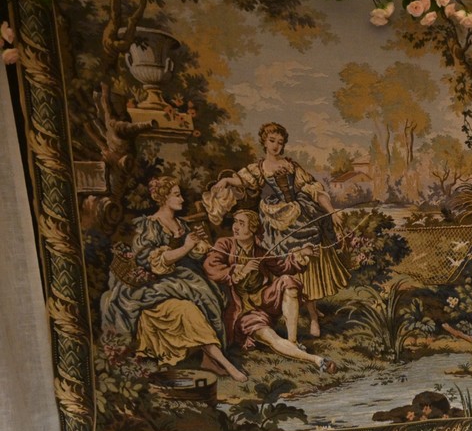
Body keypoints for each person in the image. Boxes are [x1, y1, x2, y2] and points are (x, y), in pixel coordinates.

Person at [100, 175, 246, 382]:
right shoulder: (150, 225)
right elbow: (150, 260)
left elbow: (192, 255)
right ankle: (222, 361)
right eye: (177, 195)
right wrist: (186, 247)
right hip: (155, 282)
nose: (182, 200)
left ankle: (209, 358)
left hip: (180, 278)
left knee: (214, 294)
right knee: (191, 306)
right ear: (163, 198)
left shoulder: (180, 224)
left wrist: (199, 246)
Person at [210, 122, 348, 339]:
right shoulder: (259, 167)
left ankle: (313, 315)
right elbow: (242, 180)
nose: (275, 146)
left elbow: (314, 190)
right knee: (281, 267)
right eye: (272, 141)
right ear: (264, 141)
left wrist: (332, 212)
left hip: (299, 218)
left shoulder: (291, 166)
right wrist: (227, 179)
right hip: (273, 224)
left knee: (307, 265)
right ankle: (283, 311)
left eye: (280, 143)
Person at [202, 211, 337, 372]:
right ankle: (317, 360)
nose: (235, 227)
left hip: (265, 301)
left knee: (288, 281)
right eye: (235, 222)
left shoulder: (260, 251)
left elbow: (282, 267)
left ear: (252, 230)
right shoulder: (225, 245)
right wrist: (241, 270)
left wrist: (301, 253)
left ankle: (292, 341)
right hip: (244, 312)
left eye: (241, 223)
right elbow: (211, 267)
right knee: (272, 338)